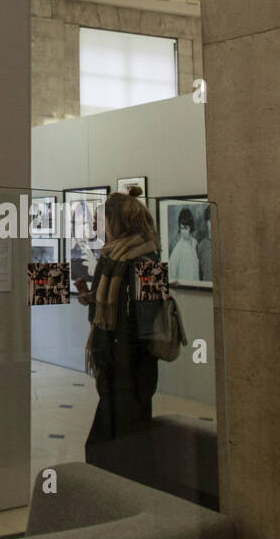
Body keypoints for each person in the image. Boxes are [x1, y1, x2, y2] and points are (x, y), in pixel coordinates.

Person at [75, 184, 161, 456]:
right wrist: (91, 298)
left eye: (102, 220)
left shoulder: (145, 261)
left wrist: (123, 363)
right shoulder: (110, 257)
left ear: (118, 222)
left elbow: (148, 324)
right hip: (111, 361)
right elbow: (108, 309)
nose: (97, 226)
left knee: (125, 438)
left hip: (130, 369)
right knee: (113, 437)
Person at [168, 207, 200, 281]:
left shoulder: (195, 244)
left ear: (191, 227)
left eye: (186, 228)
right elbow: (171, 275)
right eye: (182, 228)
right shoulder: (177, 250)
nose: (183, 232)